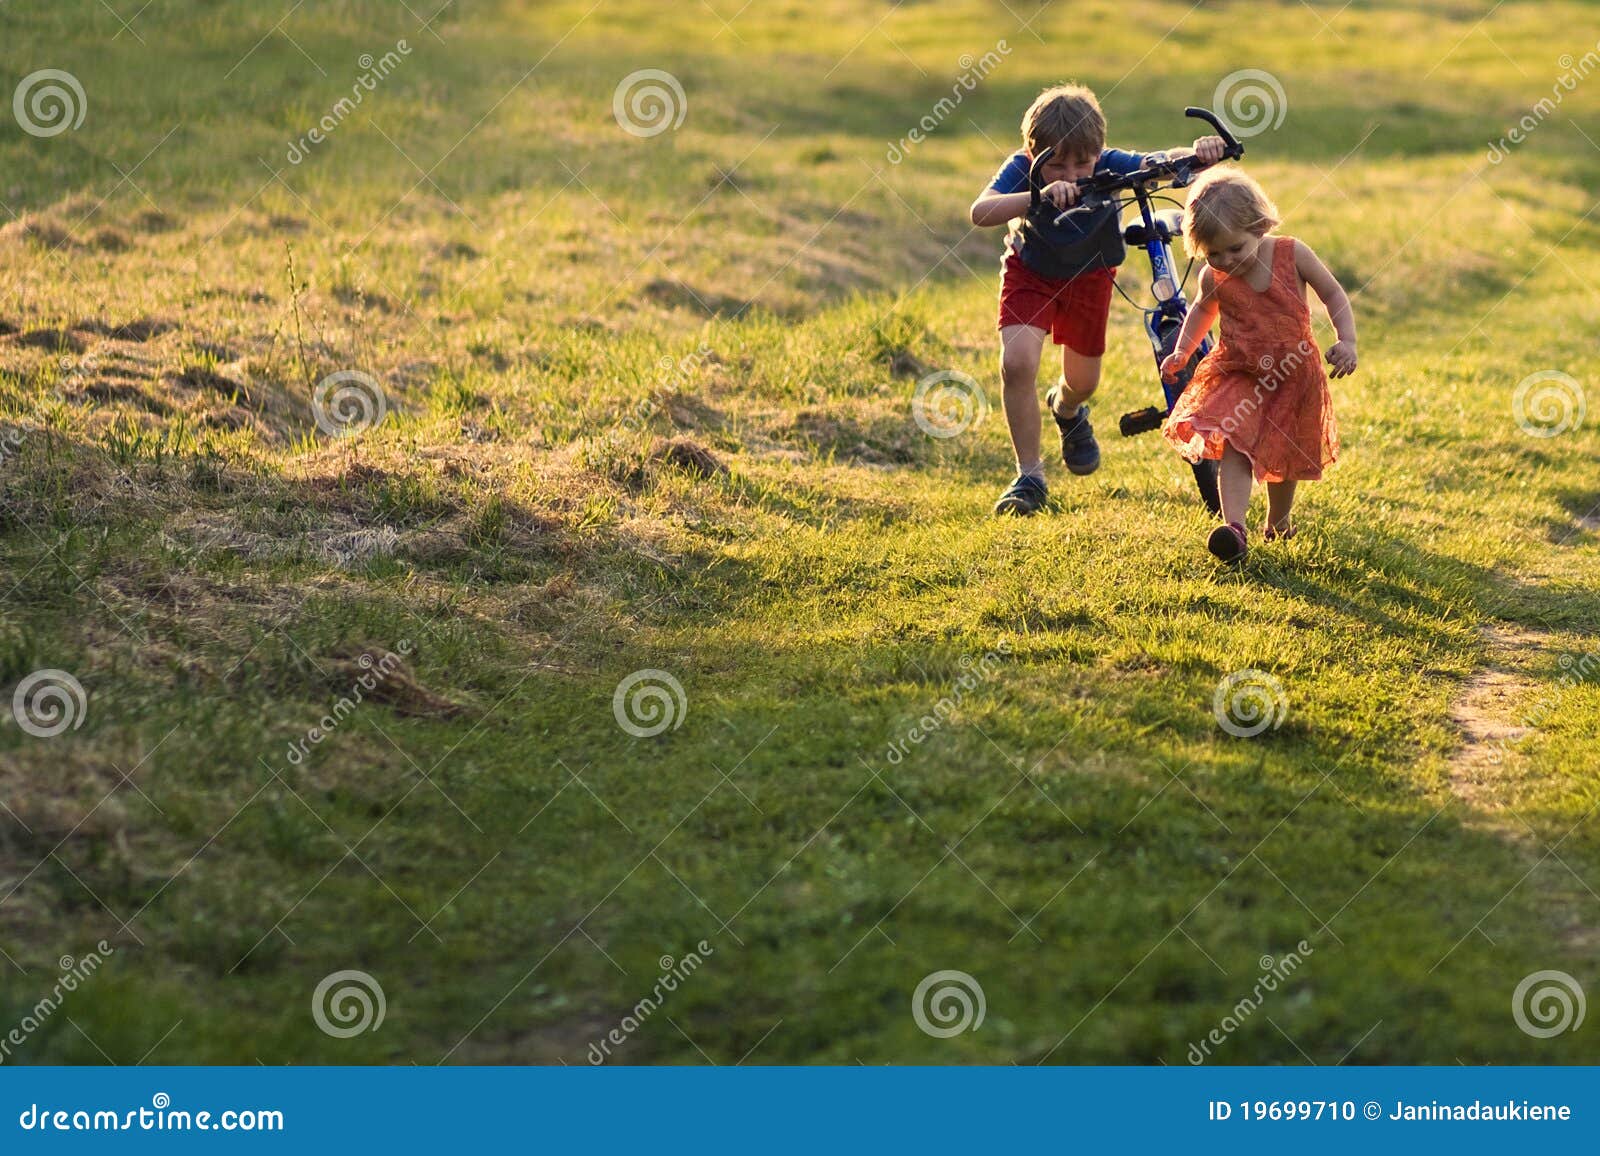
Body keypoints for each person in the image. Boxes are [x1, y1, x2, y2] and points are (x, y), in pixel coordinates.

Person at [970, 83, 1225, 515]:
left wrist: (1199, 152)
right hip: (1030, 273)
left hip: (1090, 278)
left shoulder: (1107, 164)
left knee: (1084, 383)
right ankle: (1028, 476)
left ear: (1099, 150)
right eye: (1057, 166)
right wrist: (1037, 195)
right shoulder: (1022, 170)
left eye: (1082, 164)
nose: (1071, 175)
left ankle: (1066, 410)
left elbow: (1155, 164)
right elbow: (981, 211)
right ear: (1033, 155)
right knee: (1017, 364)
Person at [1159, 166, 1357, 561]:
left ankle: (1278, 523)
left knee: (1284, 457)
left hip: (1293, 374)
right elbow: (1201, 312)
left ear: (1259, 226)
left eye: (1235, 248)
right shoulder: (1213, 276)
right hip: (1241, 370)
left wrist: (1346, 340)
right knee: (1234, 442)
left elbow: (1334, 294)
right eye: (1214, 253)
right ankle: (1234, 528)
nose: (1226, 260)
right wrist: (1183, 349)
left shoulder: (1291, 254)